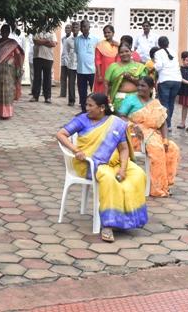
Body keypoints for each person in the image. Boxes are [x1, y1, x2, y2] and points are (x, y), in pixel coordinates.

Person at [56, 93, 148, 242]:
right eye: (86, 105)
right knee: (109, 179)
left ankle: (128, 220)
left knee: (138, 174)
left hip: (116, 162)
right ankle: (108, 225)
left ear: (102, 108)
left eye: (90, 105)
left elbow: (124, 149)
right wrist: (76, 150)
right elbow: (61, 134)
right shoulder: (82, 120)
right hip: (90, 164)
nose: (87, 108)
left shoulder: (115, 123)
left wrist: (123, 169)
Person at [119, 77, 180, 197]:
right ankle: (156, 188)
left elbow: (163, 122)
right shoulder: (130, 99)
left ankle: (165, 184)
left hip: (153, 134)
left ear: (151, 88)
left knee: (172, 148)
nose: (140, 88)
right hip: (135, 136)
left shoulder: (155, 103)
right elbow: (120, 116)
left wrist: (165, 139)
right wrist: (133, 125)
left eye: (143, 86)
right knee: (157, 148)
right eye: (139, 85)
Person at [104, 43, 148, 112]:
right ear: (118, 54)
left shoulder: (139, 66)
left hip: (136, 99)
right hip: (118, 99)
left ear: (131, 52)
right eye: (121, 52)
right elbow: (106, 84)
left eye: (127, 51)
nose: (124, 54)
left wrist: (130, 78)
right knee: (120, 120)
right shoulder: (113, 66)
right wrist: (106, 99)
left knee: (135, 121)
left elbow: (144, 84)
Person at [0, 25, 24, 119]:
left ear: (9, 32)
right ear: (0, 31)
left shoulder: (13, 43)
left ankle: (6, 113)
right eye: (3, 31)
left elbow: (19, 55)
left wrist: (20, 67)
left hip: (9, 70)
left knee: (8, 90)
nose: (5, 33)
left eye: (6, 31)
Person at [152, 37, 180, 129]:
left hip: (165, 80)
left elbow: (159, 66)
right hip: (177, 80)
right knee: (171, 102)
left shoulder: (158, 53)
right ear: (168, 43)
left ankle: (166, 124)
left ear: (159, 45)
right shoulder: (174, 51)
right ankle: (169, 123)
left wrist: (152, 67)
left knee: (164, 103)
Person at [74, 20, 99, 114]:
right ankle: (84, 111)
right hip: (81, 70)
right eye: (82, 26)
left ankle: (96, 110)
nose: (84, 28)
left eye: (86, 26)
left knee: (94, 92)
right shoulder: (77, 40)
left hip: (92, 70)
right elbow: (77, 52)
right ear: (80, 28)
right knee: (82, 92)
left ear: (89, 27)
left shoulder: (95, 39)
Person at [30, 28, 56, 103]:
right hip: (37, 57)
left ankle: (47, 97)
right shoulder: (36, 31)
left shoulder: (52, 32)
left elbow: (53, 44)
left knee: (47, 78)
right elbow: (36, 41)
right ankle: (35, 96)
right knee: (37, 77)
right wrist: (47, 40)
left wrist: (41, 41)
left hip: (48, 57)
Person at [93, 25, 118, 95]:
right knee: (101, 92)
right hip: (103, 72)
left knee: (112, 92)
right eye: (105, 33)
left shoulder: (117, 45)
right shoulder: (100, 45)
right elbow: (97, 61)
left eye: (109, 32)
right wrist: (99, 75)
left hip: (114, 72)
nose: (107, 34)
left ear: (113, 33)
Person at [175, 51, 188, 130]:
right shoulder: (180, 69)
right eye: (187, 60)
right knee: (184, 107)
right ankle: (183, 122)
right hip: (184, 91)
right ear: (182, 60)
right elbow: (181, 79)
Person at [61, 23, 78, 107]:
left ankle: (83, 101)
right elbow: (65, 52)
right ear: (71, 29)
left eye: (76, 27)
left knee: (82, 83)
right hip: (71, 65)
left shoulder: (81, 39)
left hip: (81, 65)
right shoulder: (68, 40)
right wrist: (67, 63)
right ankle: (71, 100)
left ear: (79, 29)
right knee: (71, 83)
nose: (75, 29)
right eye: (73, 28)